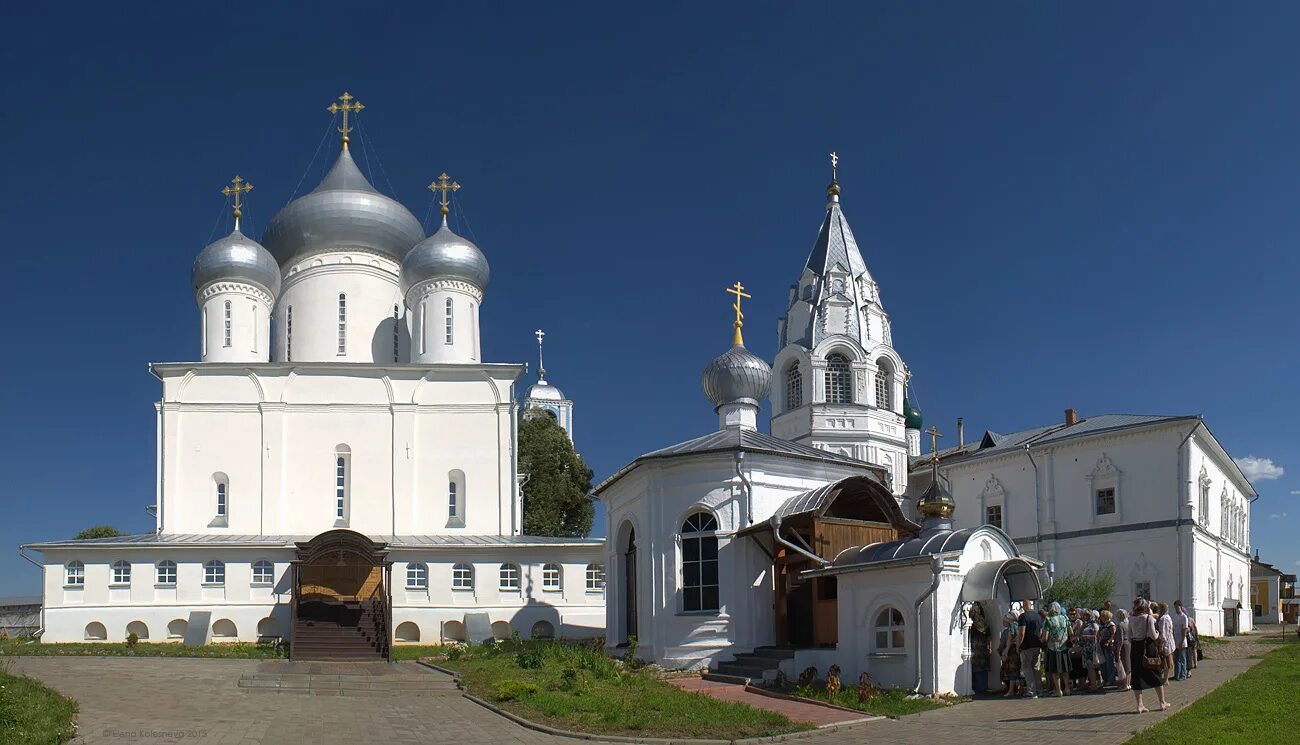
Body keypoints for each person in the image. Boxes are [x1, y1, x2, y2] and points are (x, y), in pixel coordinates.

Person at [1128, 598, 1168, 713]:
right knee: (1155, 672)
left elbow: (1129, 635)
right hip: (1148, 646)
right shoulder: (1148, 618)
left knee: (1136, 674)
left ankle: (1139, 705)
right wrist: (1158, 633)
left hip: (1136, 647)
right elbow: (1153, 635)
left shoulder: (1131, 619)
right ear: (1146, 607)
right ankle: (1162, 702)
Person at [1043, 602, 1072, 697]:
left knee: (1055, 671)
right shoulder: (1065, 618)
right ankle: (1067, 689)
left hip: (1053, 647)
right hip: (1064, 647)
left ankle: (1058, 690)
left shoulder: (1048, 620)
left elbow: (1045, 637)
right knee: (1065, 669)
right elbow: (1071, 632)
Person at [1018, 599, 1044, 698]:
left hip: (1026, 646)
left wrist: (1018, 645)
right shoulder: (1038, 616)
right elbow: (1041, 631)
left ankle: (1031, 691)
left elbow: (1021, 633)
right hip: (1037, 645)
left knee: (1027, 669)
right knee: (1036, 668)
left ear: (1024, 605)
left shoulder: (1023, 616)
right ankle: (1039, 689)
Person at [999, 610, 1023, 697]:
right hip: (1020, 649)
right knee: (1019, 669)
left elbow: (1009, 639)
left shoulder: (1012, 626)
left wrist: (1006, 650)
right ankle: (1021, 689)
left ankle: (1011, 690)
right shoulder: (1020, 625)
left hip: (1012, 650)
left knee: (1012, 670)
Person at [970, 602, 992, 694]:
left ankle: (979, 687)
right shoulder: (982, 622)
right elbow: (988, 635)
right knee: (981, 669)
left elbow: (987, 634)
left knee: (978, 669)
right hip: (982, 648)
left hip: (977, 648)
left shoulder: (975, 622)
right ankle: (982, 687)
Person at [1082, 609, 1103, 692]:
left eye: (1087, 614)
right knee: (1090, 668)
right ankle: (1095, 684)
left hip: (1092, 648)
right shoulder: (1087, 624)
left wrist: (1086, 637)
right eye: (1084, 614)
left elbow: (1096, 637)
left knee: (1091, 668)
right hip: (1087, 648)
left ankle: (1094, 685)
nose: (1085, 616)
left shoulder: (1094, 624)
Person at [1155, 602, 1175, 684]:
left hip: (1165, 643)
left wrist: (1160, 644)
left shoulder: (1164, 619)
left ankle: (1165, 679)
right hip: (1167, 641)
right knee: (1165, 661)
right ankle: (1164, 678)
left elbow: (1163, 633)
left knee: (1165, 661)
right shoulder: (1167, 617)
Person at [1171, 601, 1190, 681]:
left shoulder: (1184, 617)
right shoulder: (1175, 616)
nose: (1176, 609)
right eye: (1175, 607)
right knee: (1176, 659)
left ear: (1180, 607)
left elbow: (1185, 629)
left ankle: (1183, 674)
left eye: (1177, 607)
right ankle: (1177, 674)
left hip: (1181, 640)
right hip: (1175, 639)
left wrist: (1182, 640)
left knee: (1182, 658)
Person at [1115, 608, 1131, 691]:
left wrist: (1118, 650)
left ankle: (1125, 685)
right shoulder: (1129, 623)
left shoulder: (1120, 625)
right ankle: (1128, 683)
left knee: (1124, 665)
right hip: (1129, 643)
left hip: (1123, 645)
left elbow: (1120, 639)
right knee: (1128, 665)